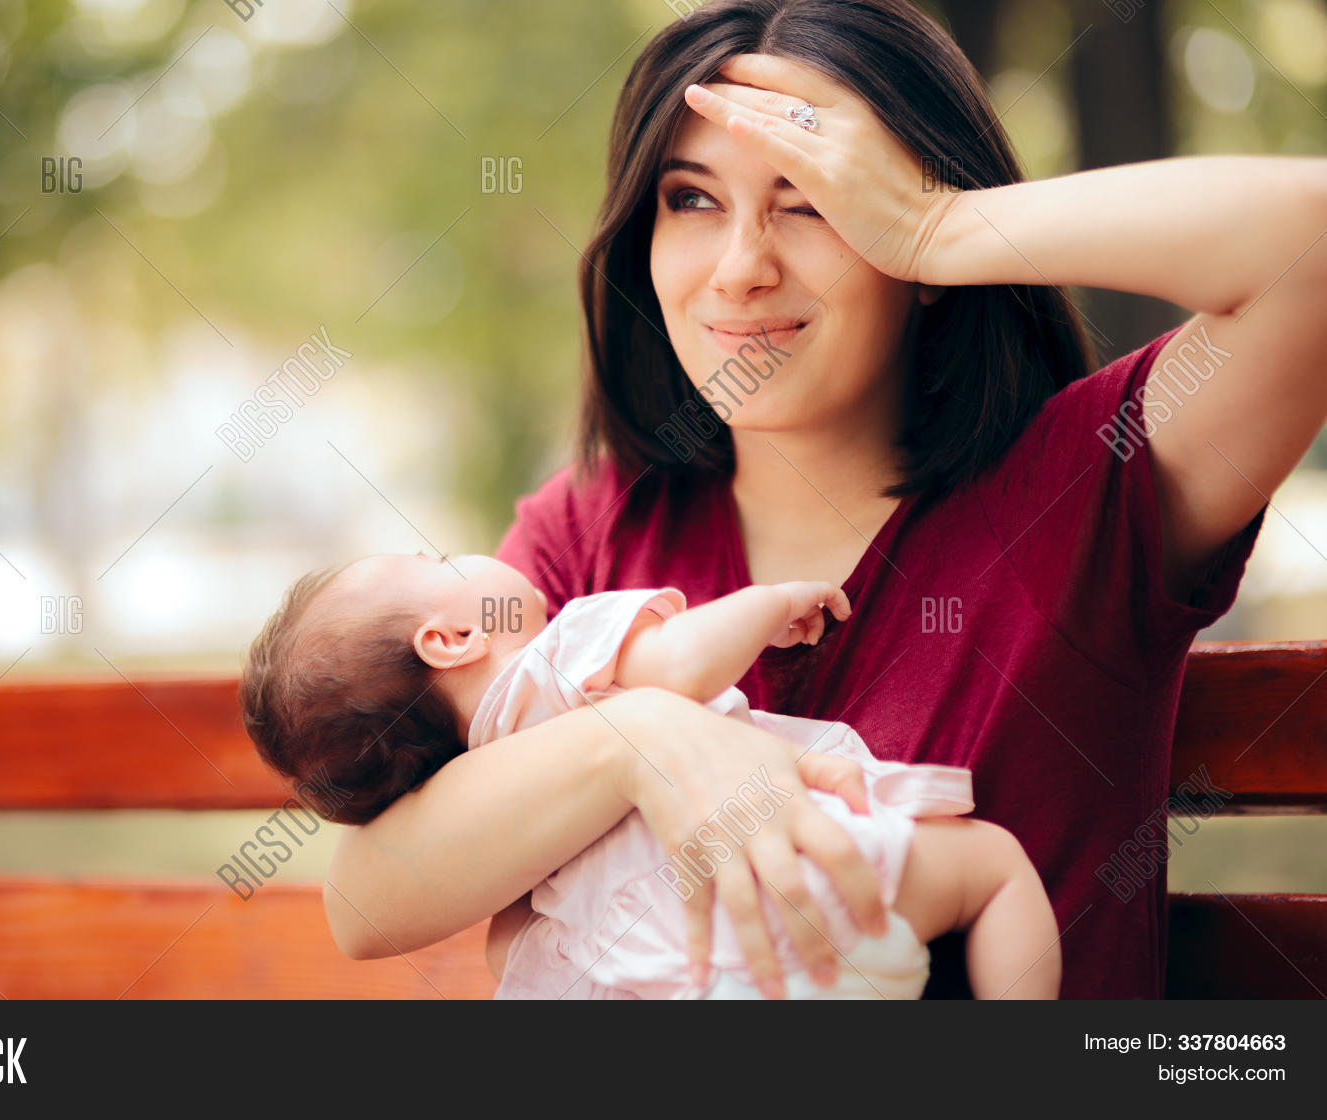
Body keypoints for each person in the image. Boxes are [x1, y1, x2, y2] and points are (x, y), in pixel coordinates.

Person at [322, 0, 1326, 999]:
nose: (740, 270)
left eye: (808, 202)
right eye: (691, 198)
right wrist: (647, 745)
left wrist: (937, 225)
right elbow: (366, 903)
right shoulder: (592, 529)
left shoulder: (1089, 482)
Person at [238, 550, 1060, 998]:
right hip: (796, 900)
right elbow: (682, 661)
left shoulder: (488, 783)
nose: (467, 552)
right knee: (990, 865)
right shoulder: (565, 651)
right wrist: (770, 604)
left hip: (649, 977)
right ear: (451, 640)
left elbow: (506, 944)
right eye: (441, 559)